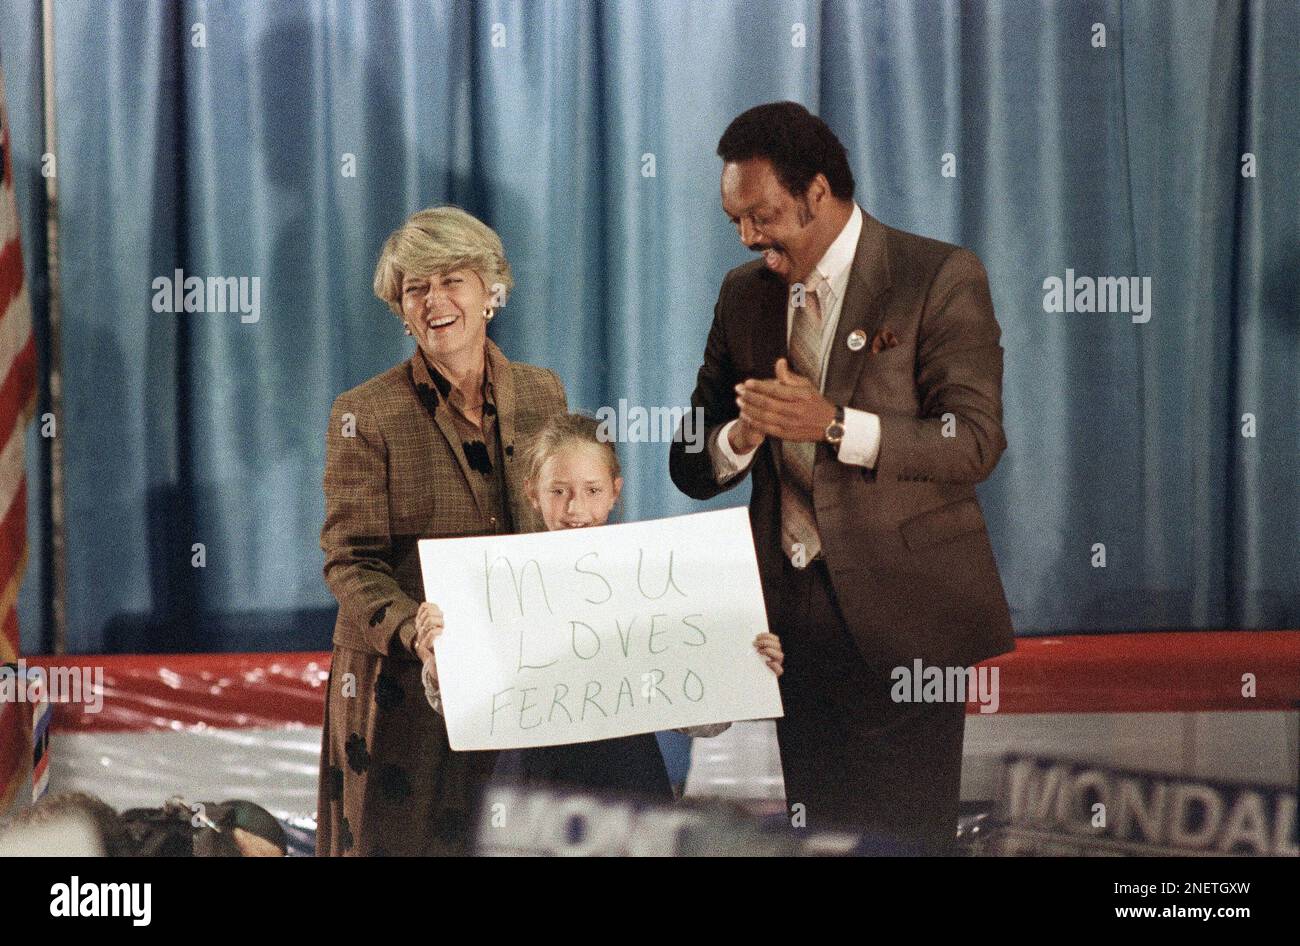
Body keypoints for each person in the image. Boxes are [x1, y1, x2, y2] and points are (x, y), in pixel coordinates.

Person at [668, 102, 1015, 854]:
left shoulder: (938, 276)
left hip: (909, 621)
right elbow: (691, 458)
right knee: (820, 837)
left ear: (818, 192)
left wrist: (830, 424)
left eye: (761, 216)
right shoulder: (743, 294)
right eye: (735, 221)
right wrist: (742, 433)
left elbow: (974, 441)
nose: (749, 238)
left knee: (908, 840)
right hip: (792, 626)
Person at [317, 206, 568, 856]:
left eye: (451, 280)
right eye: (415, 289)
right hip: (402, 693)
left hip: (517, 681)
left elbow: (567, 532)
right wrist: (414, 629)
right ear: (401, 309)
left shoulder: (544, 395)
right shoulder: (365, 413)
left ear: (491, 292)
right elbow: (350, 562)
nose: (435, 300)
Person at [416, 413, 784, 800]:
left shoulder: (654, 581)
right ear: (532, 493)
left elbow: (705, 724)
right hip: (529, 792)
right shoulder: (491, 583)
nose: (576, 508)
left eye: (592, 490)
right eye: (558, 491)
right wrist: (442, 670)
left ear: (615, 491)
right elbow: (467, 712)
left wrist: (746, 664)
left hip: (629, 788)